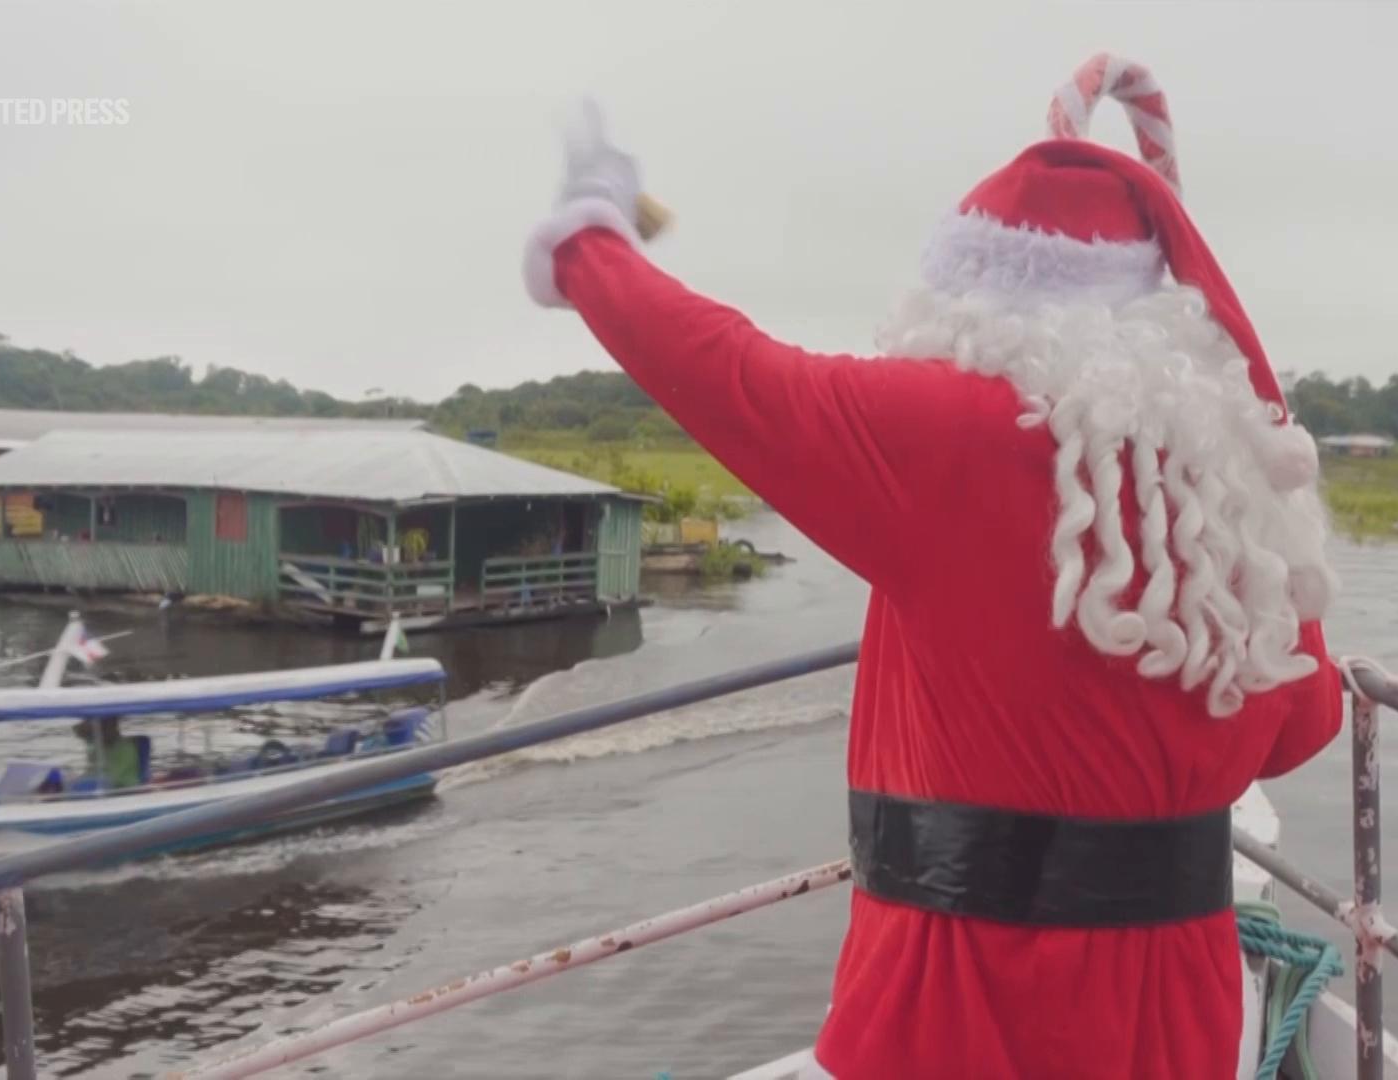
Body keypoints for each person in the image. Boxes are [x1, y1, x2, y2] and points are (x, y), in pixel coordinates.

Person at [521, 56, 1343, 1080]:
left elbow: (721, 364)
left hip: (955, 1020)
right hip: (1179, 1024)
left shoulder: (935, 434)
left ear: (973, 293)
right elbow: (1305, 729)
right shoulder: (1236, 478)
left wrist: (592, 236)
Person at [73, 716, 141, 790]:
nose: (100, 733)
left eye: (103, 728)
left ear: (113, 727)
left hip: (123, 788)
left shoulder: (125, 748)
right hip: (101, 786)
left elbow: (113, 777)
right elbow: (78, 731)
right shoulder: (97, 746)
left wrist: (85, 781)